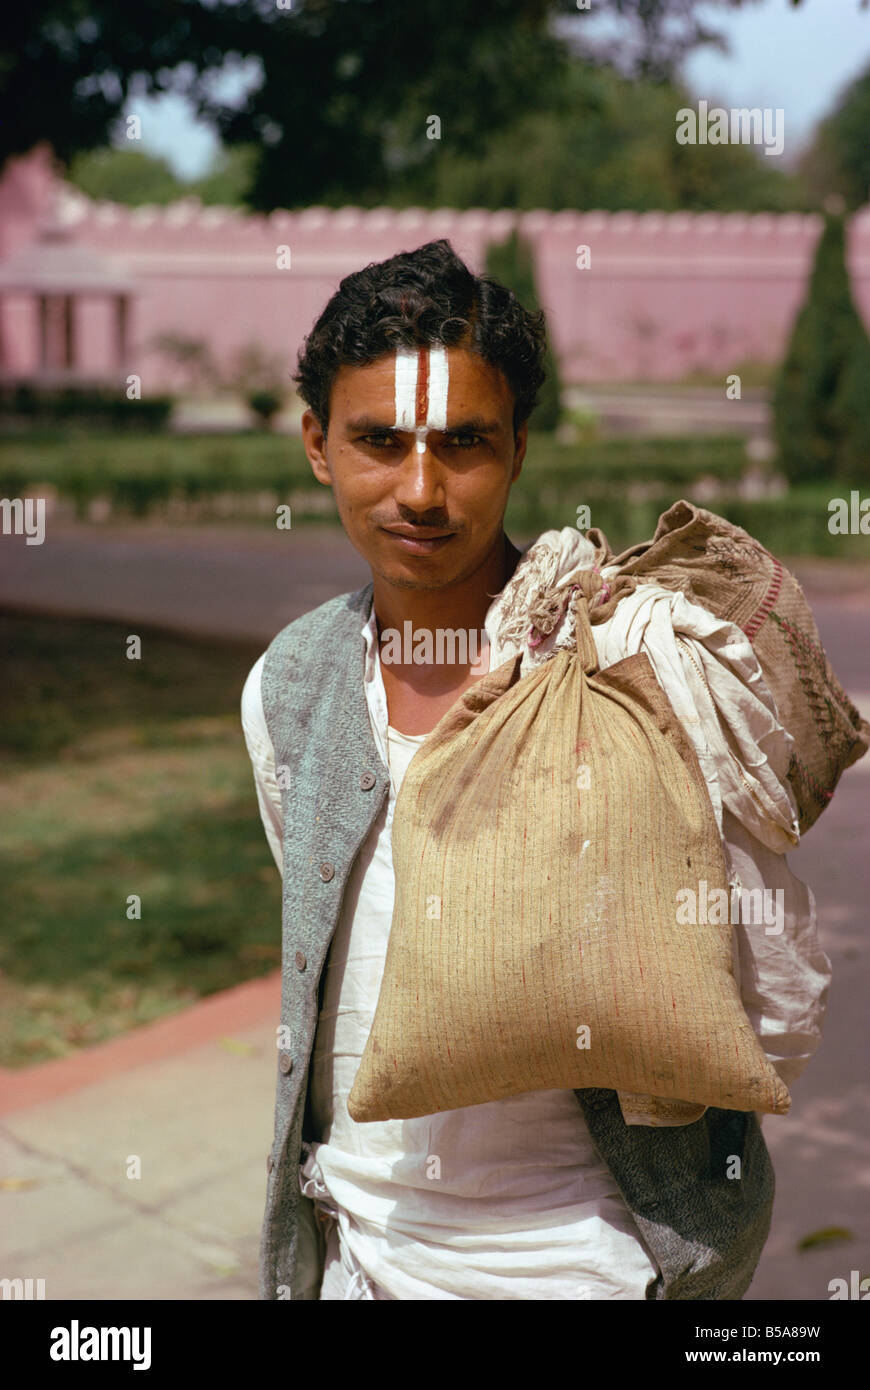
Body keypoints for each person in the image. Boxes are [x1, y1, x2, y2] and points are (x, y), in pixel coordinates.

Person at [241, 239, 830, 1300]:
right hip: (364, 1250)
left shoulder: (640, 667)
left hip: (597, 1258)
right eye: (380, 441)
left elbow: (766, 996)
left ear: (516, 450)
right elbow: (321, 944)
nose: (420, 490)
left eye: (462, 443)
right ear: (317, 445)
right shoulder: (291, 689)